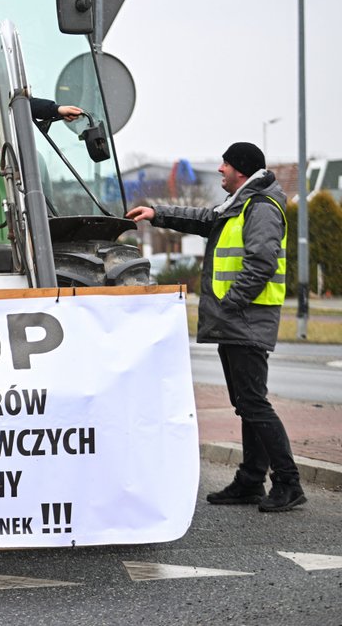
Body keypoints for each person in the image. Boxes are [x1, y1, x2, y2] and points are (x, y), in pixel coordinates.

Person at [126, 142, 305, 512]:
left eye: (225, 164)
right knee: (245, 404)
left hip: (245, 319)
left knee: (254, 403)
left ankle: (288, 482)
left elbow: (261, 263)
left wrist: (231, 303)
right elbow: (205, 220)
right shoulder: (240, 204)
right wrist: (157, 214)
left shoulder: (262, 207)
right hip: (237, 320)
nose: (220, 169)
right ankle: (251, 480)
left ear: (240, 169)